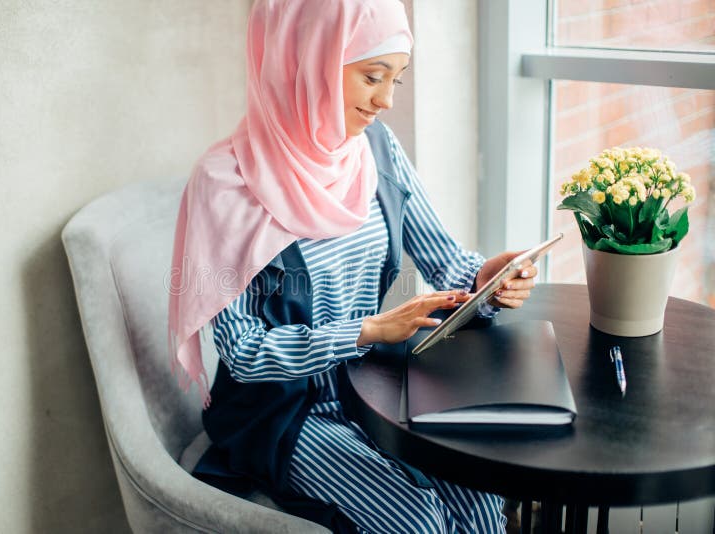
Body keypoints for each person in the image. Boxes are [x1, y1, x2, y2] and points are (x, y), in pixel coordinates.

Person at [168, 1, 536, 532]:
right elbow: (243, 353)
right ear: (307, 57)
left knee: (480, 498)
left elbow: (446, 260)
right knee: (420, 521)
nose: (385, 100)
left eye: (397, 80)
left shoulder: (376, 149)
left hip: (376, 384)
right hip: (285, 411)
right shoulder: (225, 182)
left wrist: (487, 280)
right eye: (372, 76)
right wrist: (367, 331)